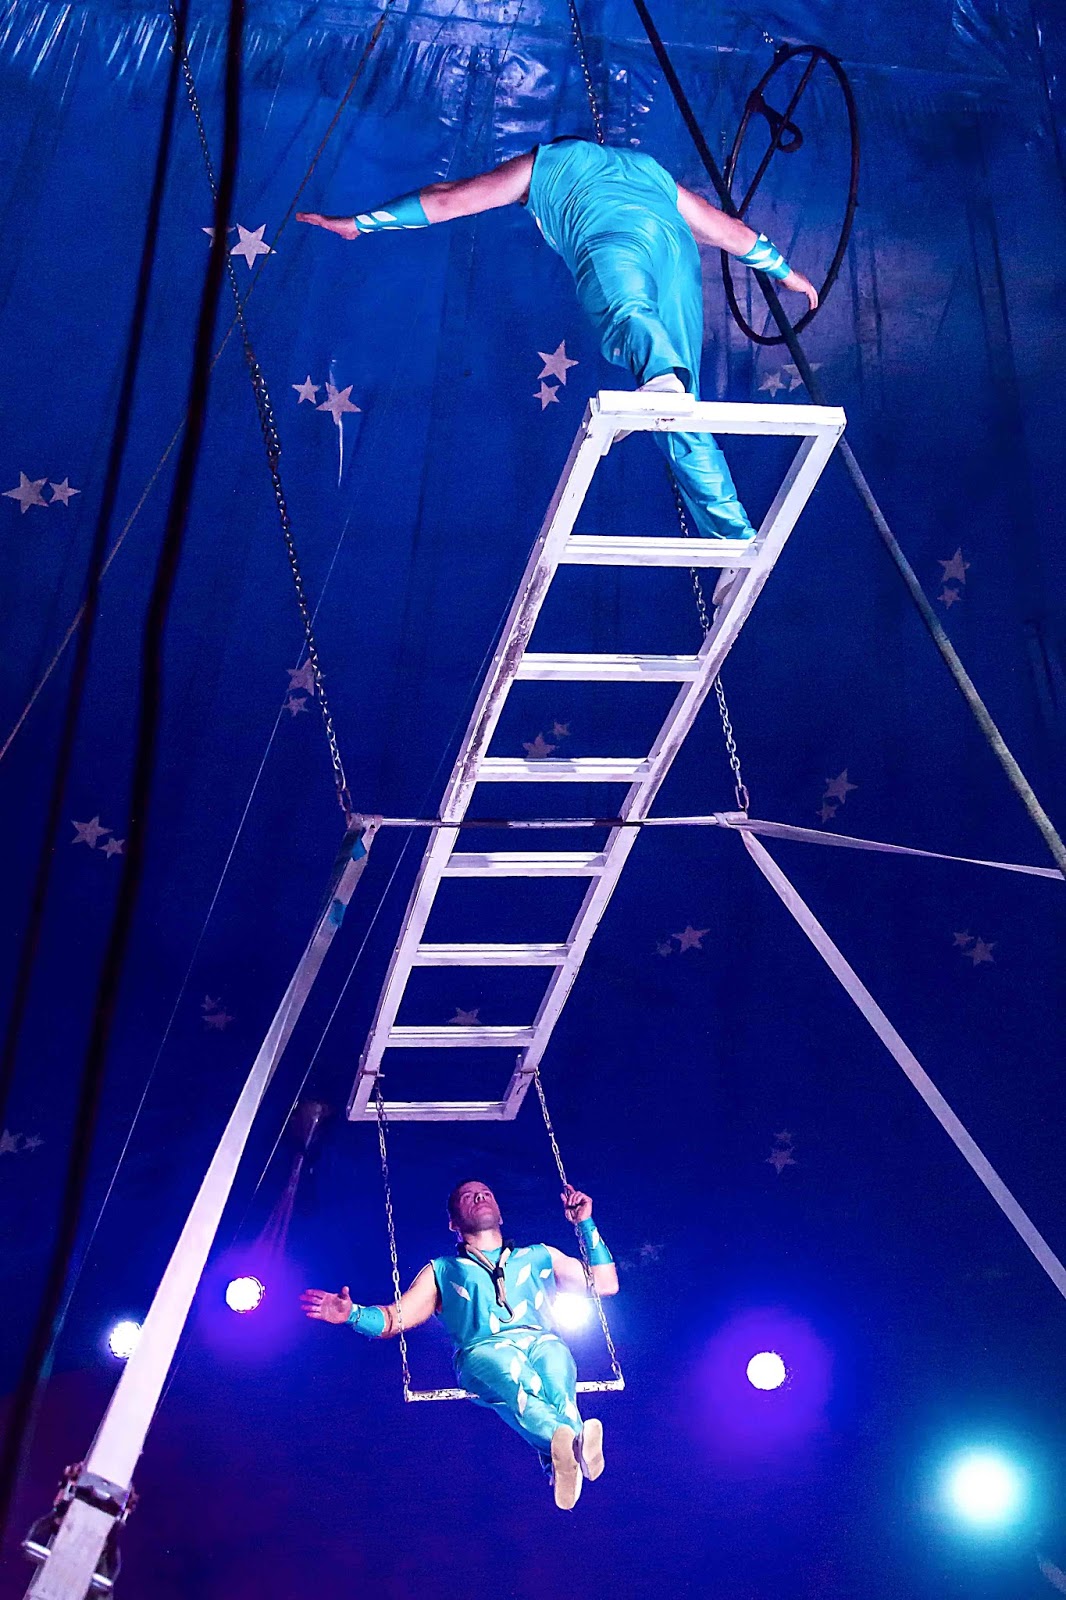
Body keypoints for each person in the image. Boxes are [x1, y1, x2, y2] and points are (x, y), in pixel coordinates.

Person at [298, 137, 818, 544]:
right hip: (676, 255)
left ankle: (672, 404)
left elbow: (448, 198)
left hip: (613, 240)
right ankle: (733, 535)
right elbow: (725, 230)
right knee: (682, 408)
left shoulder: (544, 164)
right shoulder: (649, 169)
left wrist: (361, 224)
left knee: (629, 315)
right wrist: (786, 272)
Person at [301, 1179, 619, 1510]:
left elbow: (606, 1284)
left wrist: (585, 1222)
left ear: (500, 1212)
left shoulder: (539, 1256)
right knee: (515, 1375)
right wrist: (352, 1314)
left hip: (540, 1339)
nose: (479, 1197)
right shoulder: (443, 1270)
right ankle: (567, 1441)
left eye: (486, 1194)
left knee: (556, 1362)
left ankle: (562, 1454)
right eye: (468, 1197)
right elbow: (396, 1318)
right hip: (482, 1351)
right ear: (453, 1222)